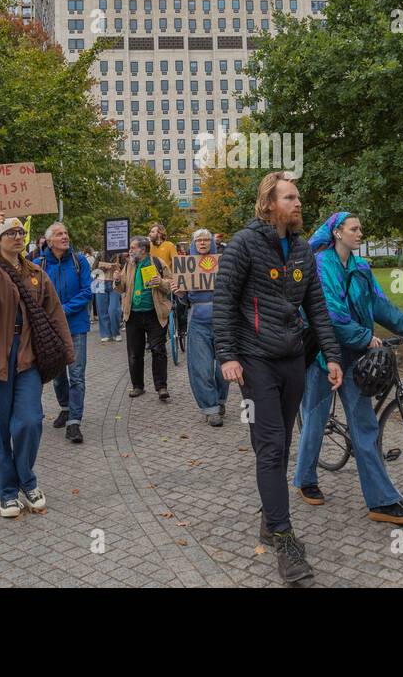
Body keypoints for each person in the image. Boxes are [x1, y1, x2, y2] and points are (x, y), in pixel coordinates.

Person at [213, 171, 343, 584]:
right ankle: (285, 541)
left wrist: (333, 356)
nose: (298, 203)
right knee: (271, 447)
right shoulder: (244, 244)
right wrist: (227, 355)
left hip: (292, 360)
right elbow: (223, 302)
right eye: (290, 197)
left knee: (280, 444)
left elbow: (318, 309)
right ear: (269, 204)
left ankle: (271, 521)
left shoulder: (303, 250)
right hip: (254, 362)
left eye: (298, 197)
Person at [293, 211, 403, 524]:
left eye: (361, 229)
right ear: (338, 232)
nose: (360, 234)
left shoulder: (361, 267)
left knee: (364, 424)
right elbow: (330, 314)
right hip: (322, 354)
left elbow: (379, 304)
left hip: (356, 355)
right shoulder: (321, 265)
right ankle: (305, 478)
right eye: (354, 229)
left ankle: (381, 502)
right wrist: (366, 337)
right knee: (315, 419)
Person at [0, 213, 74, 518]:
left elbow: (54, 314)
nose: (15, 236)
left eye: (18, 232)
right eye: (8, 233)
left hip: (27, 356)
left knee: (29, 421)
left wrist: (66, 352)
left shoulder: (36, 272)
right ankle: (7, 493)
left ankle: (27, 479)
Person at [33, 222, 93, 444]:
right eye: (59, 234)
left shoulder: (80, 262)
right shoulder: (38, 264)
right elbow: (32, 293)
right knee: (57, 376)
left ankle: (74, 422)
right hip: (50, 329)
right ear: (49, 241)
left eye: (66, 233)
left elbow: (88, 291)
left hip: (76, 326)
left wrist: (63, 310)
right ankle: (66, 408)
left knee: (76, 375)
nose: (65, 236)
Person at [111, 237, 176, 399]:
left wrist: (160, 282)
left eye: (133, 247)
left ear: (143, 249)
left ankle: (161, 387)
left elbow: (172, 284)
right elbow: (121, 289)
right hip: (133, 314)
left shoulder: (157, 263)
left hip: (155, 313)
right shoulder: (129, 264)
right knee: (134, 353)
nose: (130, 250)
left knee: (158, 350)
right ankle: (137, 386)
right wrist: (117, 281)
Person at [184, 228, 228, 427]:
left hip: (222, 319)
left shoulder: (224, 263)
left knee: (223, 367)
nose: (202, 243)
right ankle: (210, 408)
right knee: (200, 367)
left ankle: (220, 400)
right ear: (194, 243)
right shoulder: (185, 266)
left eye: (205, 240)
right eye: (198, 240)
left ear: (211, 242)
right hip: (198, 321)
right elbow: (183, 300)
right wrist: (178, 291)